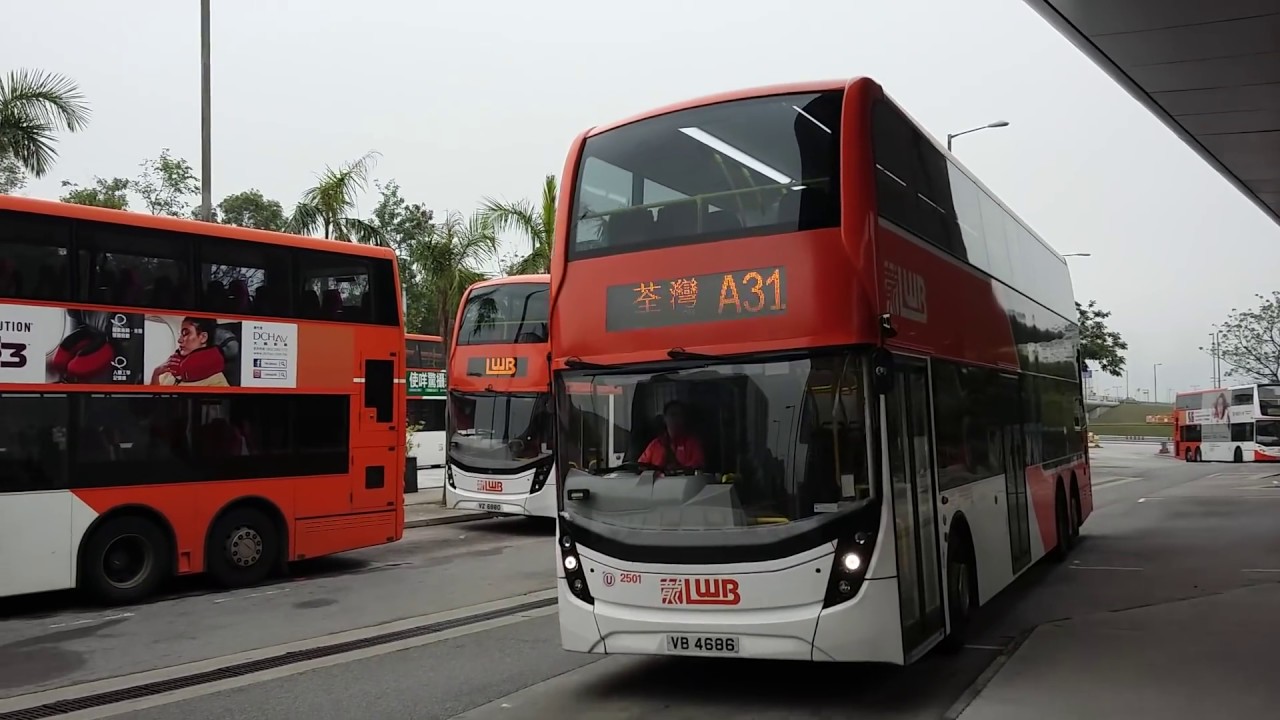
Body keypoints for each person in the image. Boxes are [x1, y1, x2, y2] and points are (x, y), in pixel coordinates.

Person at [150, 317, 230, 387]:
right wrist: (155, 375)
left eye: (186, 333)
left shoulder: (217, 381)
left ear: (203, 337)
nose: (179, 340)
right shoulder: (168, 372)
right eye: (180, 334)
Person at [637, 399, 706, 470]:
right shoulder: (655, 444)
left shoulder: (692, 443)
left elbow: (698, 464)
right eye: (673, 415)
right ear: (664, 418)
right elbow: (640, 465)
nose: (676, 419)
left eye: (679, 415)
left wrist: (680, 469)